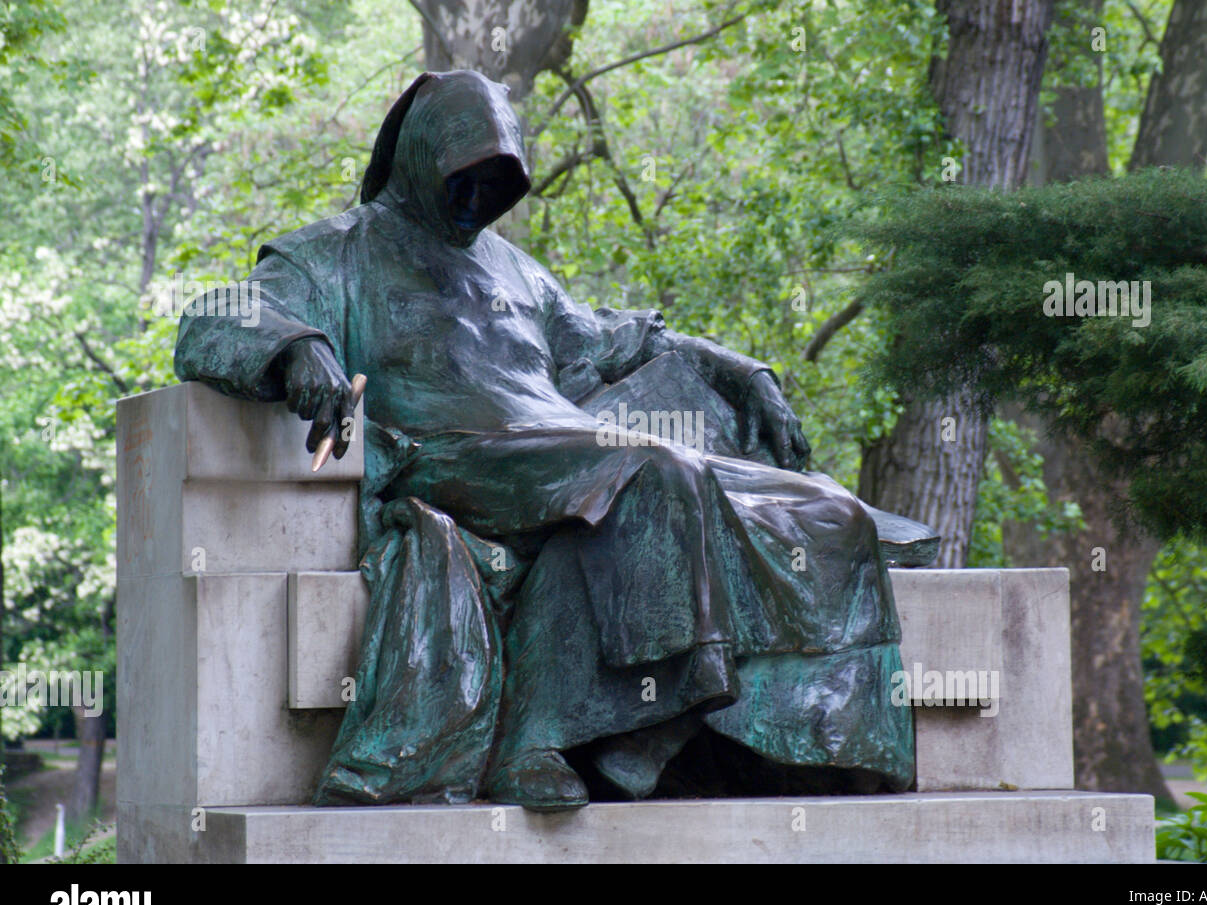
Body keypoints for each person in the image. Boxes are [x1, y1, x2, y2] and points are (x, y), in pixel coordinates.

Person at [175, 70, 929, 811]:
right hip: (448, 458)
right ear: (418, 161)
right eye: (462, 179)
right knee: (652, 467)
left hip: (568, 449)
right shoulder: (336, 251)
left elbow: (616, 338)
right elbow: (220, 312)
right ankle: (599, 735)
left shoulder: (519, 273)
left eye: (495, 184)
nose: (476, 202)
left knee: (828, 509)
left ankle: (809, 749)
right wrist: (298, 346)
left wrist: (738, 368)